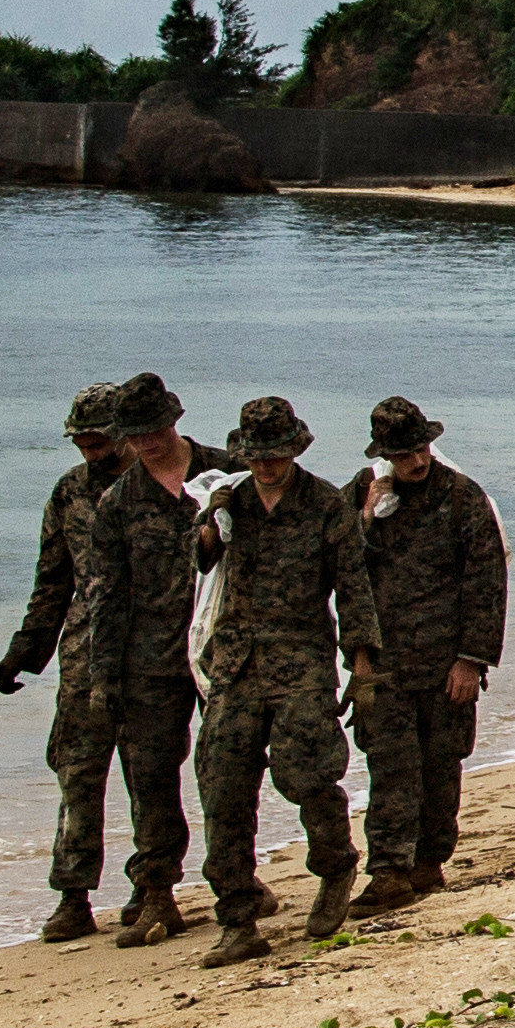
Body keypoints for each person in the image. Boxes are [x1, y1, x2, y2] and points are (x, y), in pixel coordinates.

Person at [0, 377, 226, 940]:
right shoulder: (73, 493)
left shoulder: (212, 474)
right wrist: (25, 652)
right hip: (98, 649)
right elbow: (52, 582)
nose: (89, 451)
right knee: (80, 770)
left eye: (99, 441)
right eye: (81, 442)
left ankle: (189, 882)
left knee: (213, 766)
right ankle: (75, 894)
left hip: (204, 642)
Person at [190, 394, 384, 963]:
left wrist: (363, 667)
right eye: (256, 456)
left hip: (301, 660)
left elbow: (353, 588)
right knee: (221, 786)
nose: (266, 466)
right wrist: (212, 520)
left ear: (294, 451)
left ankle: (335, 865)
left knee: (307, 775)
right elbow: (200, 561)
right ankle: (239, 918)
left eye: (275, 455)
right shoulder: (232, 504)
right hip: (234, 665)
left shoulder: (325, 505)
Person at [72, 372, 216, 945]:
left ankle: (239, 879)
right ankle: (157, 893)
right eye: (136, 434)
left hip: (220, 651)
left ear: (174, 421)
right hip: (147, 659)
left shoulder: (223, 473)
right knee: (151, 778)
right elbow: (105, 595)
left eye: (156, 429)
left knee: (229, 769)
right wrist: (102, 678)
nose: (149, 442)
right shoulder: (118, 501)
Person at [349, 395, 508, 910]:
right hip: (386, 661)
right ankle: (389, 869)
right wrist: (366, 517)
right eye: (402, 455)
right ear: (384, 455)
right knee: (389, 767)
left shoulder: (462, 496)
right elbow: (343, 575)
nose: (414, 463)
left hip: (446, 661)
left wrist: (471, 660)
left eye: (420, 450)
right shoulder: (362, 494)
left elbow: (486, 581)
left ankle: (428, 863)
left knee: (441, 765)